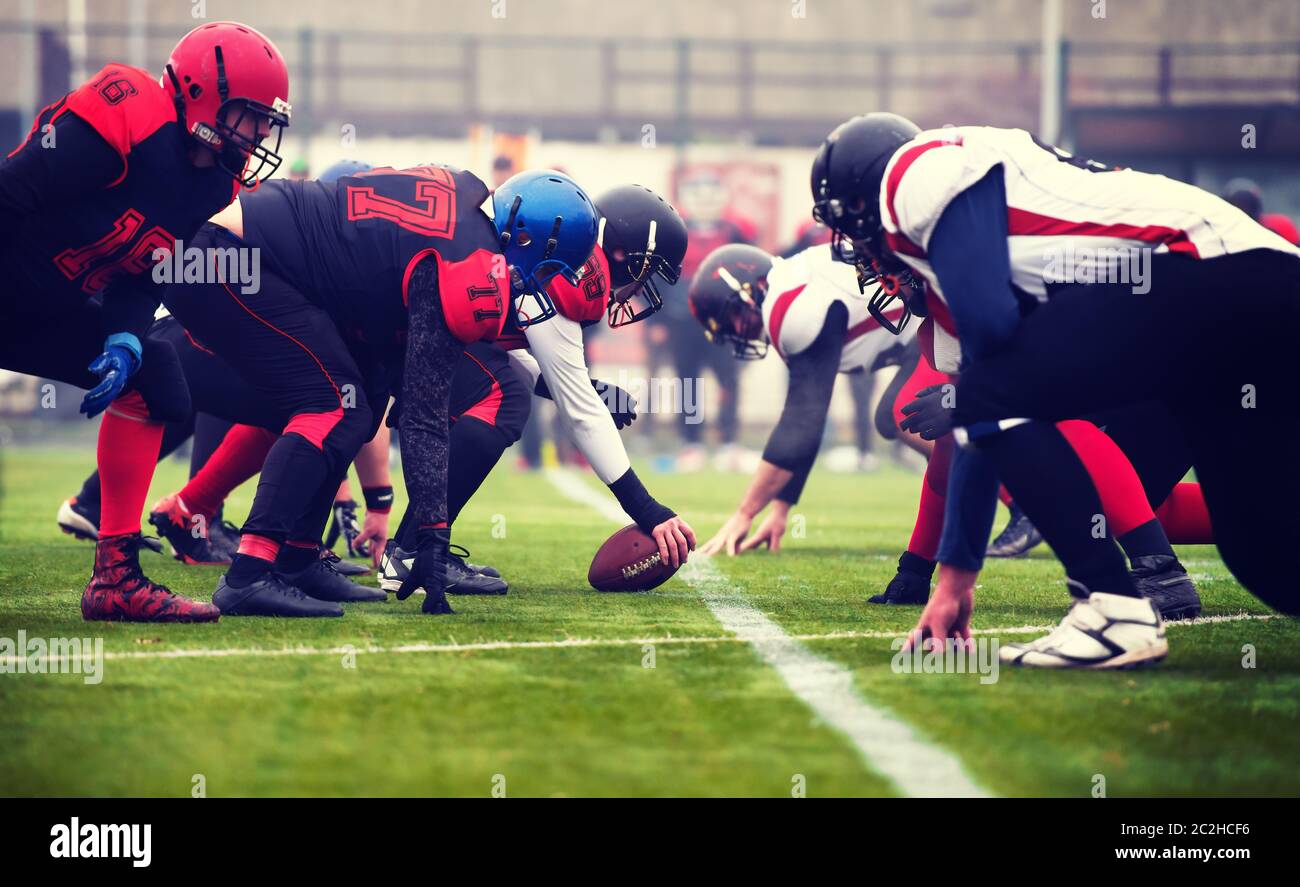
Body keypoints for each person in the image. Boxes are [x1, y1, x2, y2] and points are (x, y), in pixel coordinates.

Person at [812, 112, 1300, 668]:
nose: (863, 252)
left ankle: (1113, 607)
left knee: (991, 395)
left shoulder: (920, 169)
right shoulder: (985, 258)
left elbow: (992, 372)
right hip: (1247, 296)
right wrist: (953, 581)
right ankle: (1125, 595)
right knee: (1264, 555)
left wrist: (972, 394)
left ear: (868, 197)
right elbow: (982, 421)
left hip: (1210, 269)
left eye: (851, 225)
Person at [160, 166, 597, 617]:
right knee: (333, 406)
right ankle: (249, 574)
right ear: (525, 238)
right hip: (227, 261)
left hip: (234, 255)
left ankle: (297, 557)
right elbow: (423, 416)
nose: (541, 282)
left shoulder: (466, 200)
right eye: (548, 267)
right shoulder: (466, 263)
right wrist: (432, 534)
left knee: (360, 404)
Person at [0, 21, 290, 623]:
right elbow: (11, 194)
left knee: (155, 373)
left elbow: (145, 267)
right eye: (251, 114)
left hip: (41, 309)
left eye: (268, 120)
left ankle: (115, 579)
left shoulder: (213, 183)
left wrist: (126, 332)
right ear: (201, 94)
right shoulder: (127, 111)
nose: (261, 131)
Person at [380, 184, 699, 592]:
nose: (642, 288)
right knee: (504, 397)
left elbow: (505, 351)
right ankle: (413, 552)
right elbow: (582, 415)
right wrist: (648, 509)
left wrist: (583, 385)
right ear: (622, 255)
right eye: (646, 271)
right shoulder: (577, 269)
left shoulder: (551, 243)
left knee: (342, 413)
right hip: (415, 321)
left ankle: (312, 548)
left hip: (398, 313)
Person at [685, 242, 925, 556]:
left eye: (732, 320)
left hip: (937, 327)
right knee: (900, 414)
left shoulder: (792, 306)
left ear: (752, 288)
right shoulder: (794, 283)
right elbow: (808, 420)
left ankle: (998, 495)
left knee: (903, 414)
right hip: (926, 334)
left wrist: (745, 513)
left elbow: (801, 424)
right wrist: (780, 509)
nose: (738, 332)